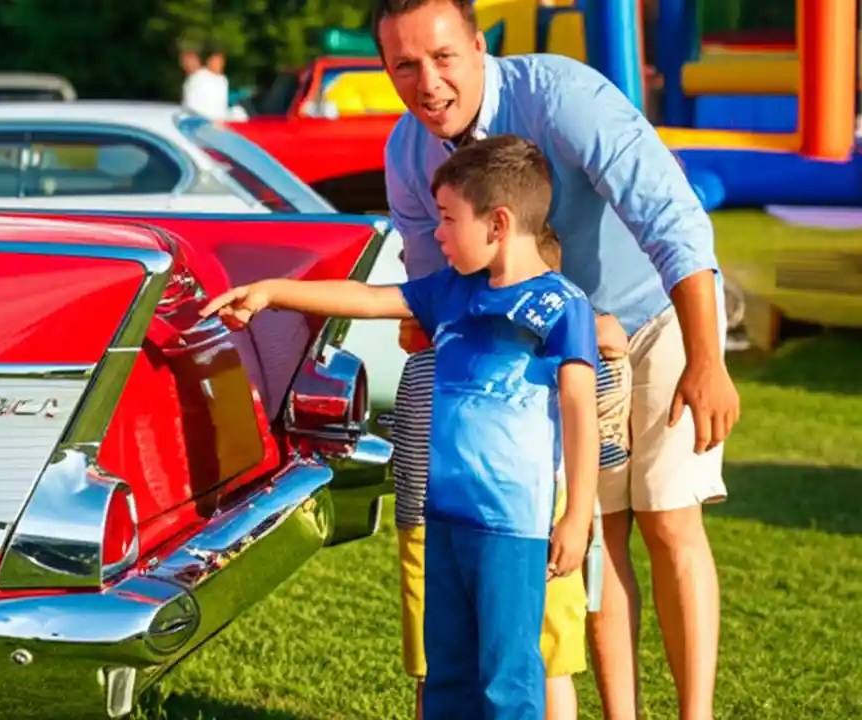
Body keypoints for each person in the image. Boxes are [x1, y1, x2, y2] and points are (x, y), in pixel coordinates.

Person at [371, 2, 741, 719]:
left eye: (443, 57)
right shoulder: (407, 153)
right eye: (404, 66)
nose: (428, 83)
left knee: (669, 519)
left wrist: (706, 358)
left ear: (479, 46)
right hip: (553, 353)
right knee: (592, 534)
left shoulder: (563, 95)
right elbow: (439, 291)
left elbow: (671, 216)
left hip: (654, 315)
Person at [204, 135, 601, 719]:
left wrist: (576, 515)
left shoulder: (561, 306)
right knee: (446, 678)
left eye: (447, 219)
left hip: (510, 530)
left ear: (497, 223)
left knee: (505, 681)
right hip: (444, 520)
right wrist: (272, 294)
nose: (436, 233)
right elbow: (365, 299)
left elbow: (580, 414)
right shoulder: (451, 291)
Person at [393, 223, 634, 720]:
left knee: (531, 661)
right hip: (456, 523)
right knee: (505, 661)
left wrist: (600, 336)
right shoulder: (442, 359)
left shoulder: (442, 362)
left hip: (529, 522)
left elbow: (597, 417)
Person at [181, 40, 231, 120]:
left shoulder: (223, 80)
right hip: (196, 121)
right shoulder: (198, 75)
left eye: (221, 61)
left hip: (218, 122)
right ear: (208, 61)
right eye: (215, 60)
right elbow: (190, 63)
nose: (218, 64)